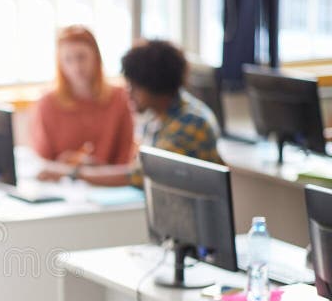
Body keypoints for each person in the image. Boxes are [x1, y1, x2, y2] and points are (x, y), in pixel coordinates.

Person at [47, 39, 223, 186]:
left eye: (134, 86)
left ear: (154, 86)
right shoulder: (156, 117)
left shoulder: (190, 122)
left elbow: (139, 176)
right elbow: (136, 169)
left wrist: (74, 173)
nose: (128, 92)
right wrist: (94, 167)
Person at [30, 25, 136, 180]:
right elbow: (42, 162)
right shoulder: (47, 103)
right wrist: (65, 167)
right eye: (68, 60)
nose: (76, 67)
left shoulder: (120, 99)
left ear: (96, 57)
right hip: (62, 190)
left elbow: (125, 162)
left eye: (82, 57)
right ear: (60, 64)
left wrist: (94, 170)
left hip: (110, 190)